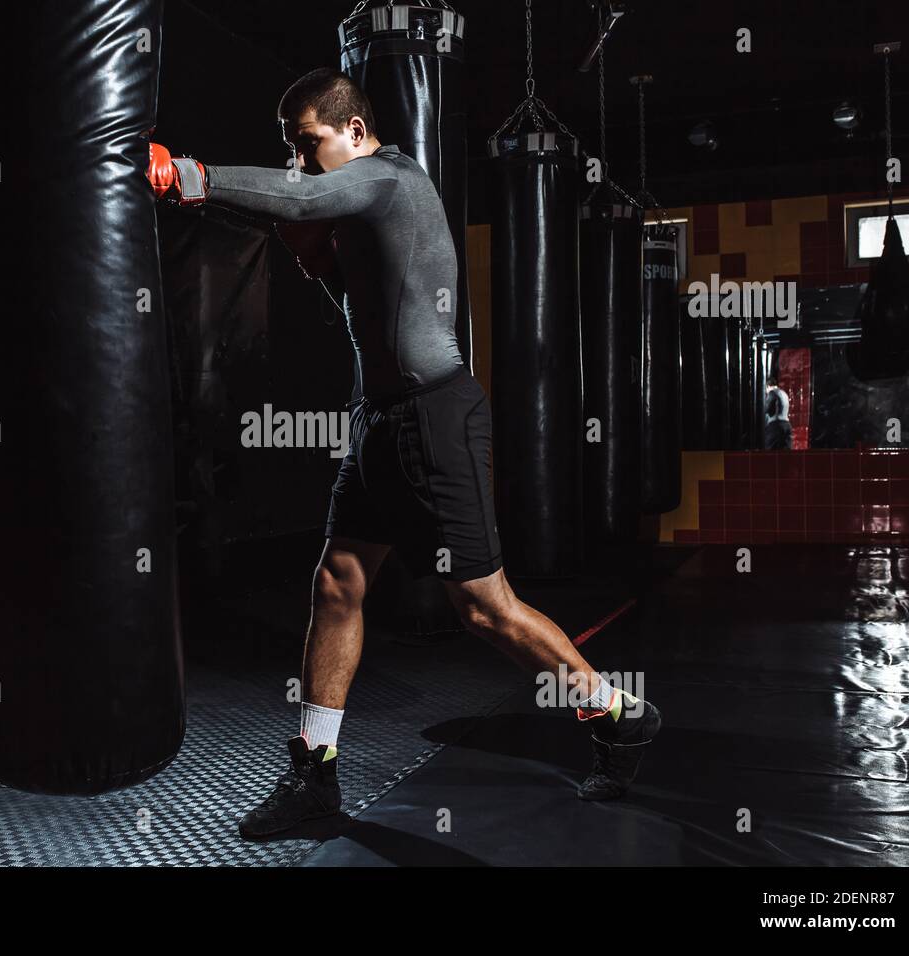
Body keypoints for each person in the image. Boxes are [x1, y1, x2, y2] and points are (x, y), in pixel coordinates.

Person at [146, 68, 661, 839]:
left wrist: (187, 176)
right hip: (379, 421)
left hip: (434, 417)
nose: (300, 160)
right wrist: (325, 272)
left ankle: (618, 714)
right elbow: (366, 307)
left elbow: (301, 198)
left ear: (354, 132)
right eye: (292, 147)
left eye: (309, 141)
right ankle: (314, 771)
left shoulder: (389, 179)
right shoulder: (356, 209)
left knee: (484, 610)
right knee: (337, 583)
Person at [763, 376, 792, 450]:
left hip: (775, 425)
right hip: (786, 425)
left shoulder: (772, 393)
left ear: (768, 386)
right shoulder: (784, 393)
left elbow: (767, 408)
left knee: (771, 450)